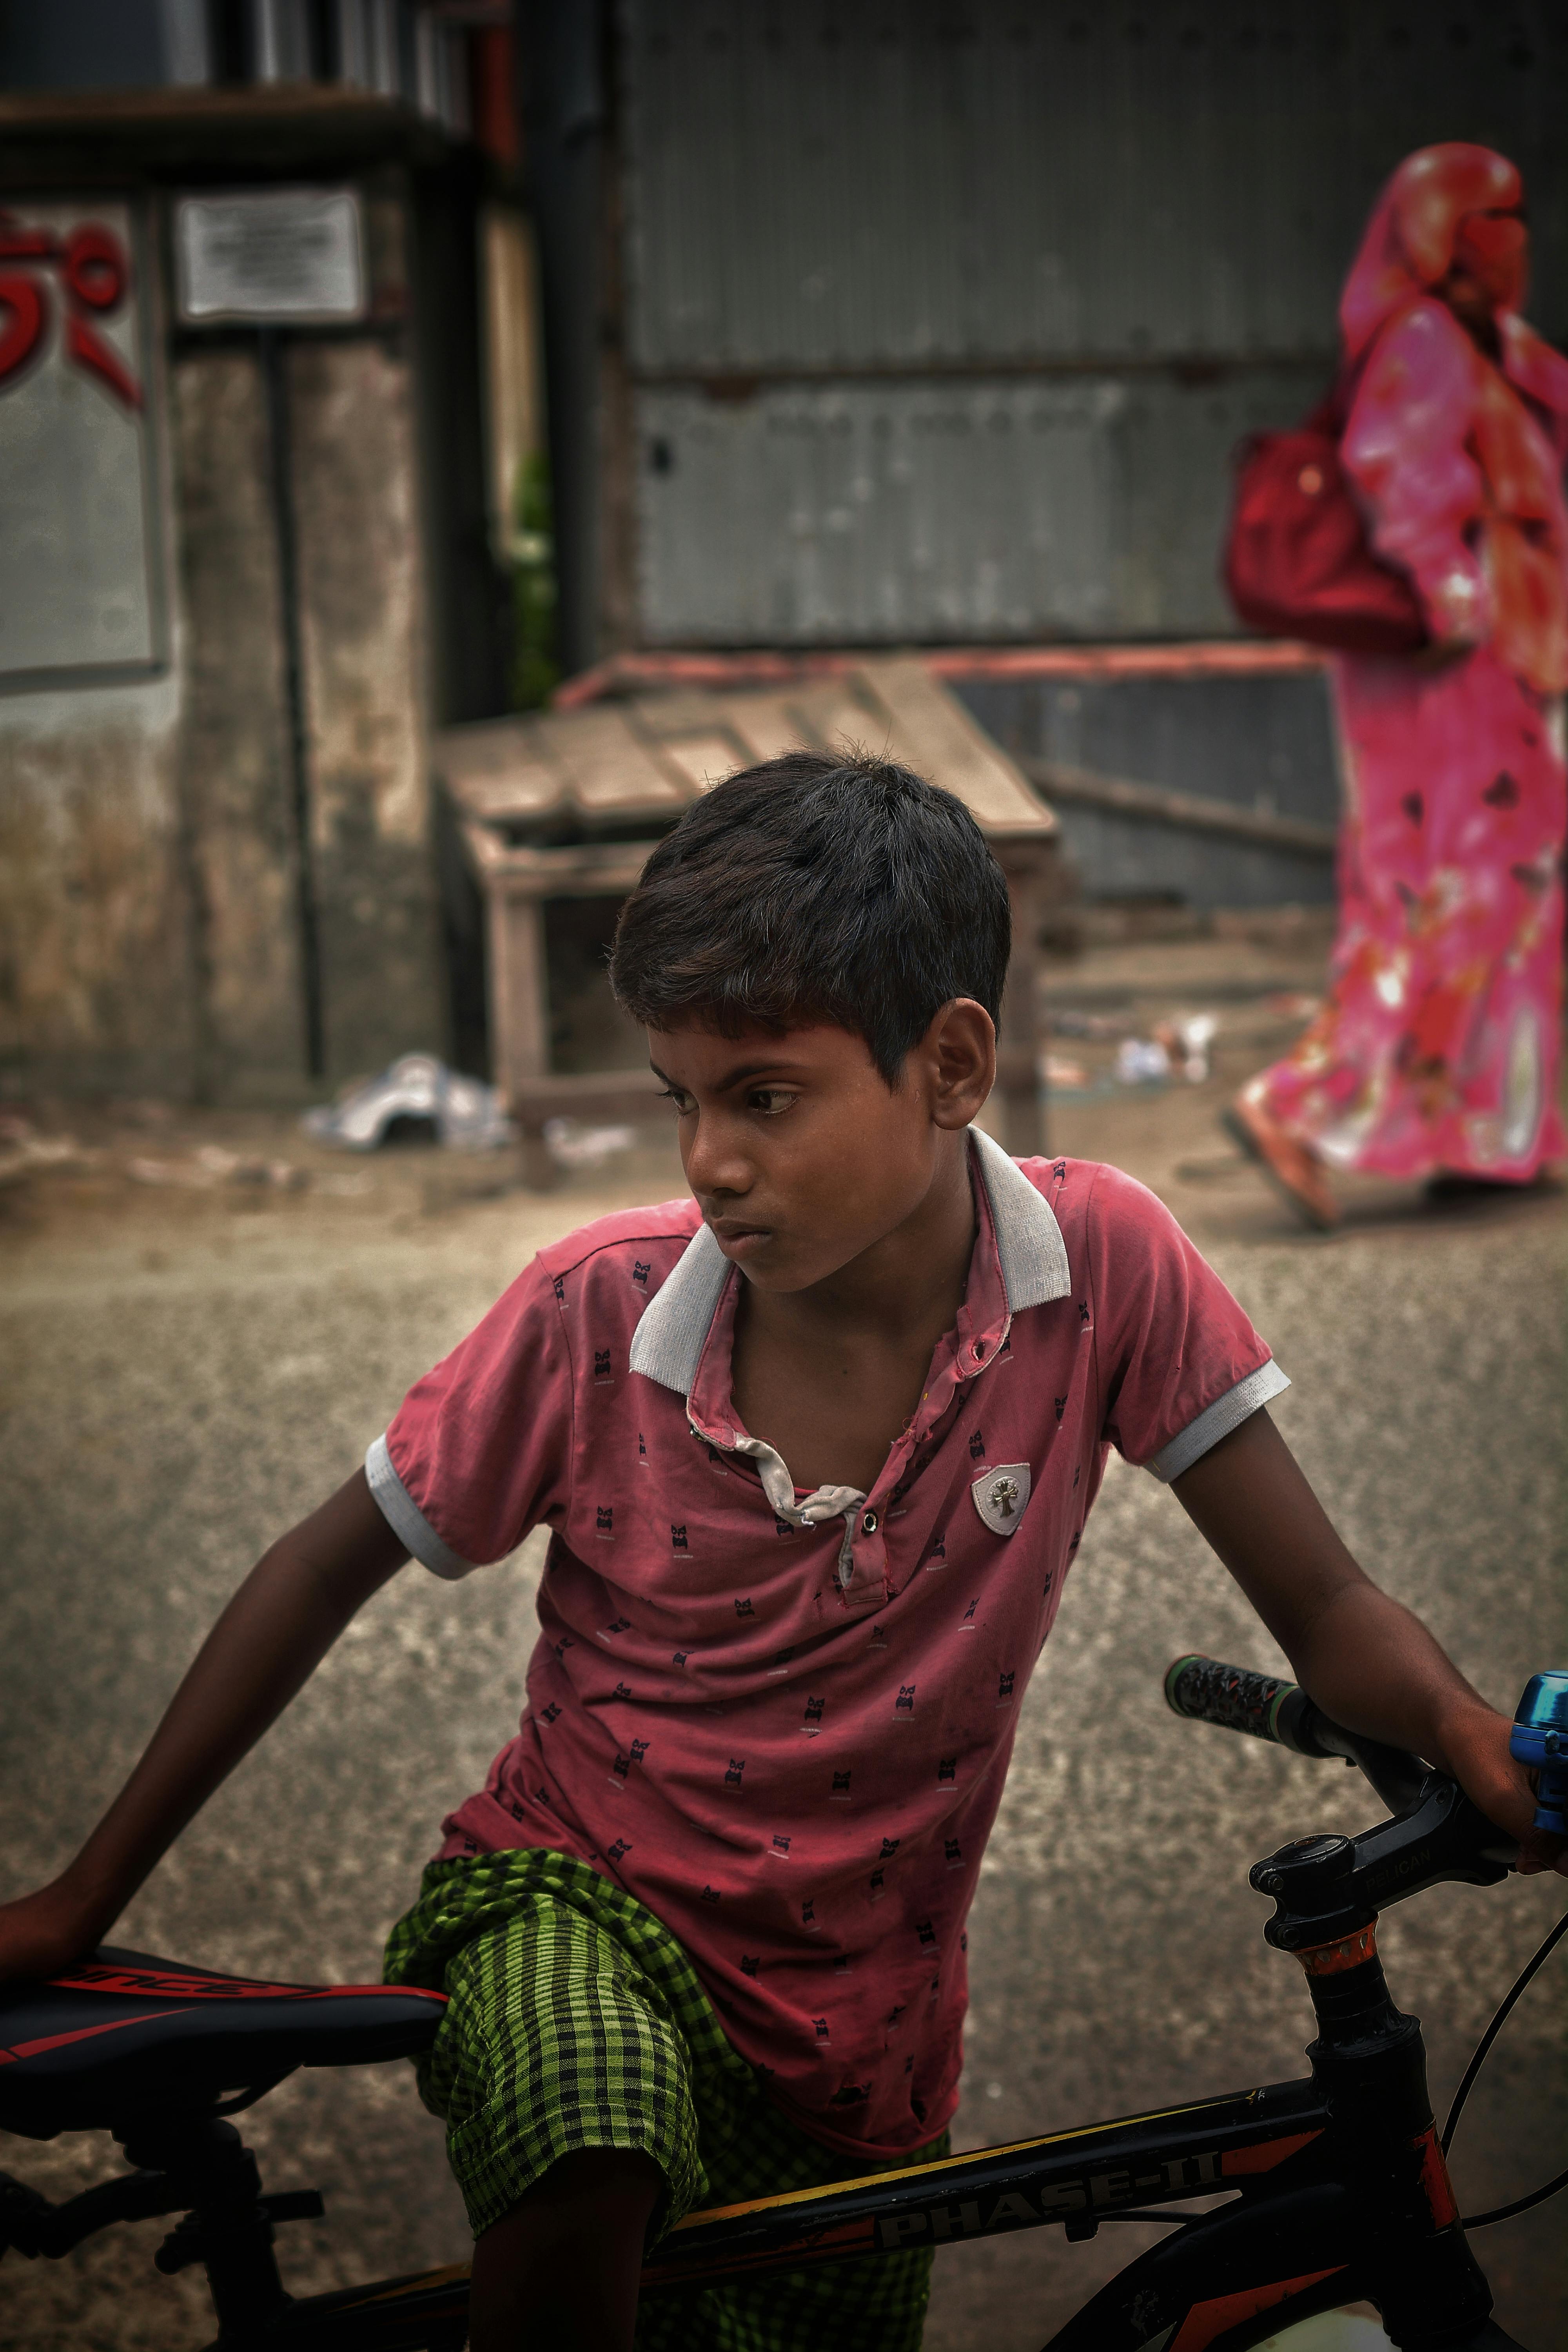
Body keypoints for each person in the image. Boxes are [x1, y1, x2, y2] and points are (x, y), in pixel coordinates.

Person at [0, 756, 1559, 2352]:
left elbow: (1323, 1602)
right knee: (589, 2127)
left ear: (950, 1066)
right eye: (681, 1099)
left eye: (762, 1097)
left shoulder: (1103, 1269)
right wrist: (82, 1896)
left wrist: (1455, 1725)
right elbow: (323, 1562)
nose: (707, 1161)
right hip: (572, 1905)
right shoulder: (597, 1309)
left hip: (864, 2043)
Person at [1230, 143, 1568, 1229]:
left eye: (1517, 216)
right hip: (1444, 681)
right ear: (1438, 234)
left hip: (1510, 676)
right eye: (1488, 217)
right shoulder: (1421, 342)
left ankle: (1486, 1138)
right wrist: (1456, 606)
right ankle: (1295, 1104)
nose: (1513, 239)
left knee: (1514, 905)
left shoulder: (1501, 349)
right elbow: (1403, 480)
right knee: (1440, 904)